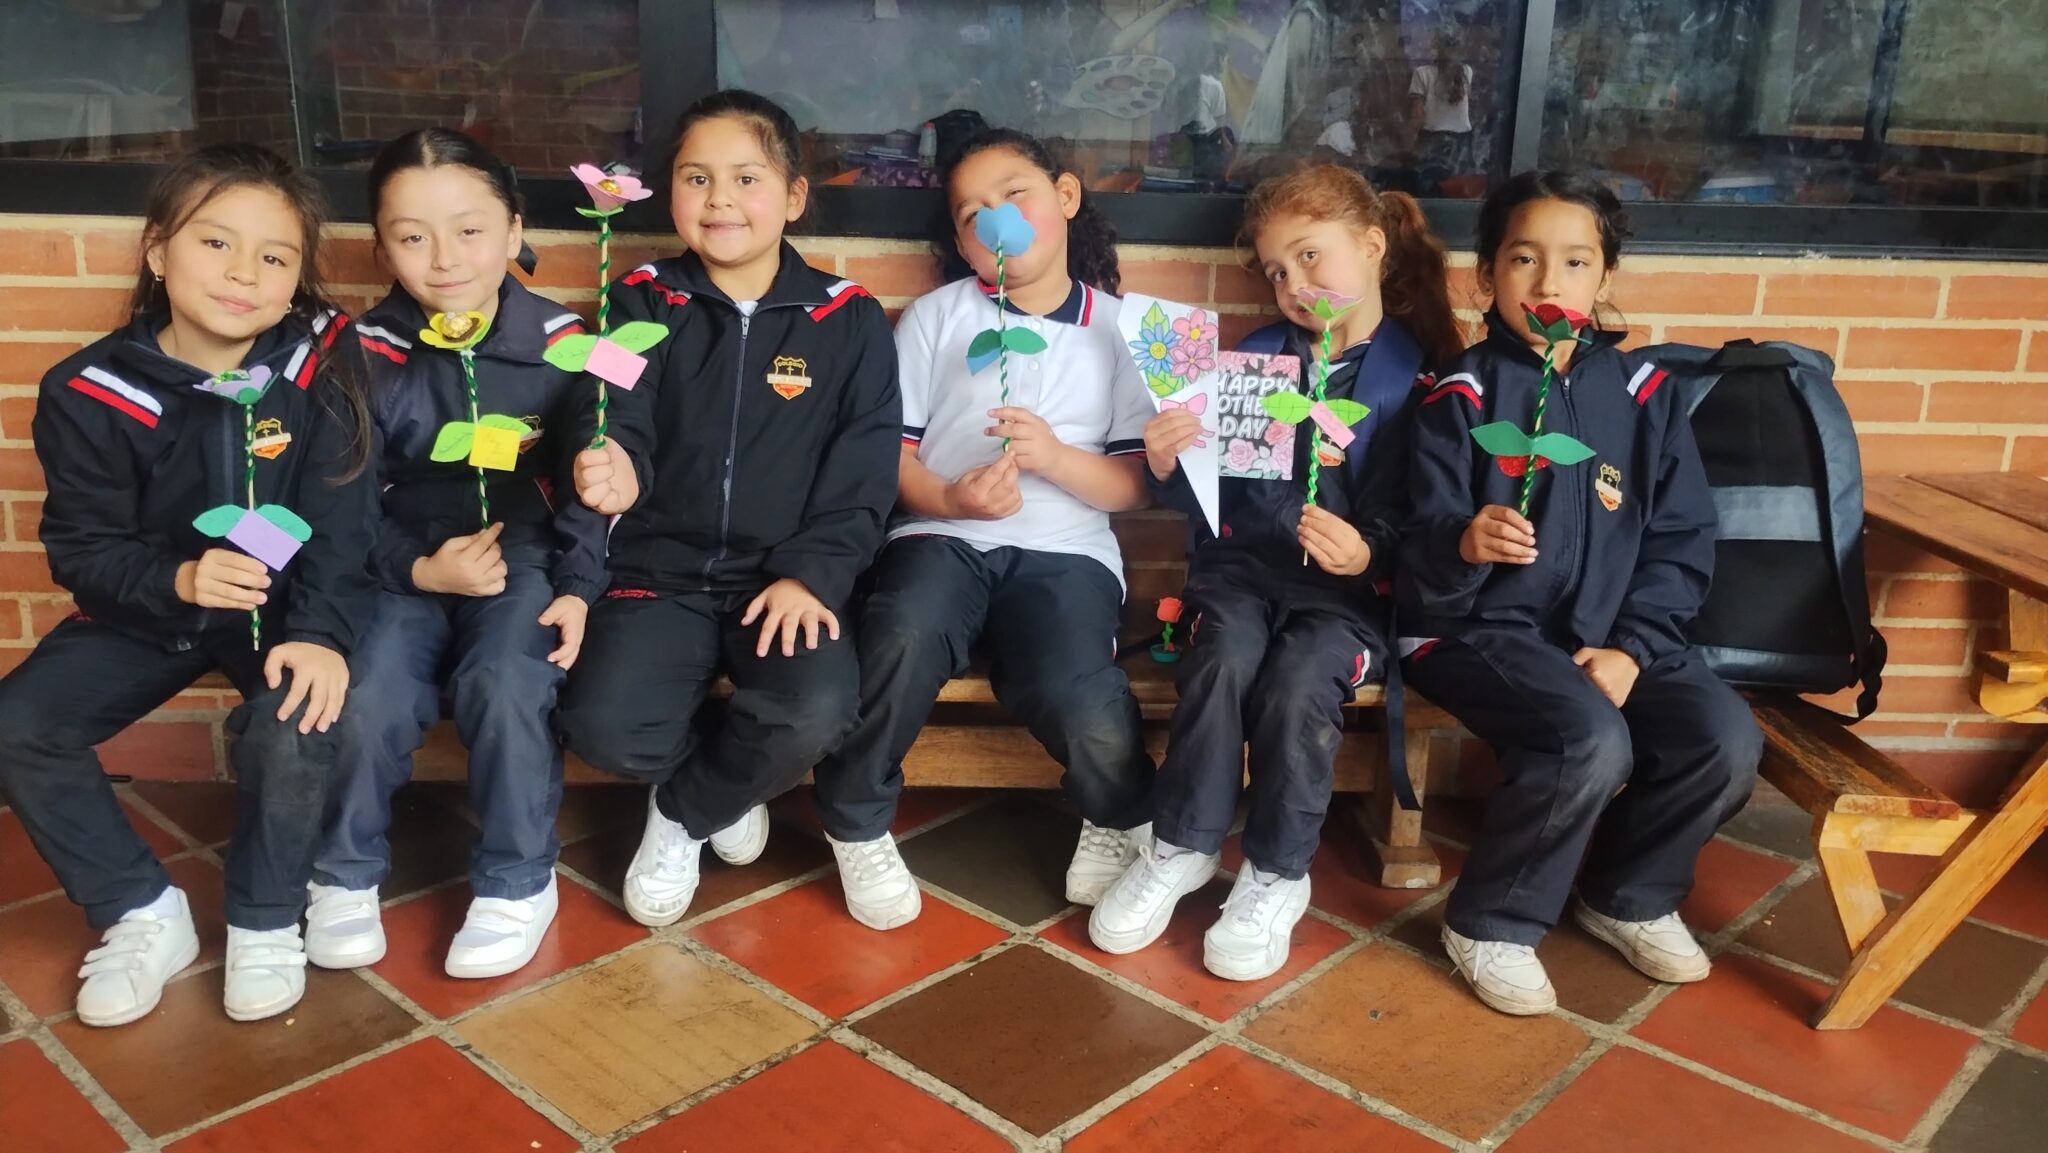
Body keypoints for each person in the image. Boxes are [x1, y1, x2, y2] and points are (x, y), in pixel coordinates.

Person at [0, 144, 376, 1024]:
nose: (244, 274)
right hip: (156, 606)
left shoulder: (323, 358)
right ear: (159, 250)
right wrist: (177, 576)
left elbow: (347, 517)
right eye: (216, 244)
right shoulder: (89, 390)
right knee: (19, 724)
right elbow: (82, 549)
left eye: (275, 257)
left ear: (297, 282)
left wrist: (319, 631)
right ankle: (140, 908)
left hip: (284, 610)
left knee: (296, 722)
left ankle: (265, 918)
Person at [1399, 170, 1762, 1015]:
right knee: (1588, 739)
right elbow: (1410, 544)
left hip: (1616, 633)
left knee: (1726, 737)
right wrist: (1463, 540)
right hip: (1480, 629)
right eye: (1523, 259)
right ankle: (1491, 920)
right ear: (1487, 277)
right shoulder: (1458, 397)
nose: (1548, 282)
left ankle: (1627, 891)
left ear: (1604, 282)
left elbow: (1679, 537)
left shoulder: (1645, 399)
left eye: (1574, 261)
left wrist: (1634, 646)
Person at [1089, 164, 1463, 980]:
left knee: (1299, 683)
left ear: (1372, 247)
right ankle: (1182, 844)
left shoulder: (1426, 381)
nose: (1295, 284)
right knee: (1220, 653)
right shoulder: (1250, 365)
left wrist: (1370, 551)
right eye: (1277, 271)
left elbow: (1437, 521)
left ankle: (1275, 872)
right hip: (1244, 577)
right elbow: (1212, 505)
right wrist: (1169, 461)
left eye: (1310, 257)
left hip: (1353, 598)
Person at [556, 90, 901, 929]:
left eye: (745, 178)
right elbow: (610, 408)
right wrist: (617, 469)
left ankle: (683, 811)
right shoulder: (642, 298)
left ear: (792, 197)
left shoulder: (846, 318)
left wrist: (812, 575)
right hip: (656, 574)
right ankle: (724, 787)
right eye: (695, 178)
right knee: (600, 722)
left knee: (815, 708)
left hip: (779, 578)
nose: (719, 199)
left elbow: (863, 472)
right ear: (669, 194)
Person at [810, 128, 1157, 930]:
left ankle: (1115, 810)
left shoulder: (1122, 329)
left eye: (1014, 196)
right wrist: (950, 499)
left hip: (1067, 549)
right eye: (971, 214)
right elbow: (891, 458)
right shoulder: (936, 318)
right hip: (942, 536)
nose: (993, 220)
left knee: (1076, 685)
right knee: (898, 634)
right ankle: (856, 816)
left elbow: (1132, 484)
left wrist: (1056, 457)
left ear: (1066, 198)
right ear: (960, 241)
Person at [303, 128, 606, 979]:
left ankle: (517, 879)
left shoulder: (565, 343)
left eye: (470, 231)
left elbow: (591, 486)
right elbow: (343, 503)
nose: (443, 260)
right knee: (369, 688)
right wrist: (418, 568)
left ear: (514, 232)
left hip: (524, 560)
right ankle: (345, 871)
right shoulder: (362, 354)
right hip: (400, 565)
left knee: (507, 680)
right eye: (411, 236)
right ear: (381, 247)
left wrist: (579, 586)